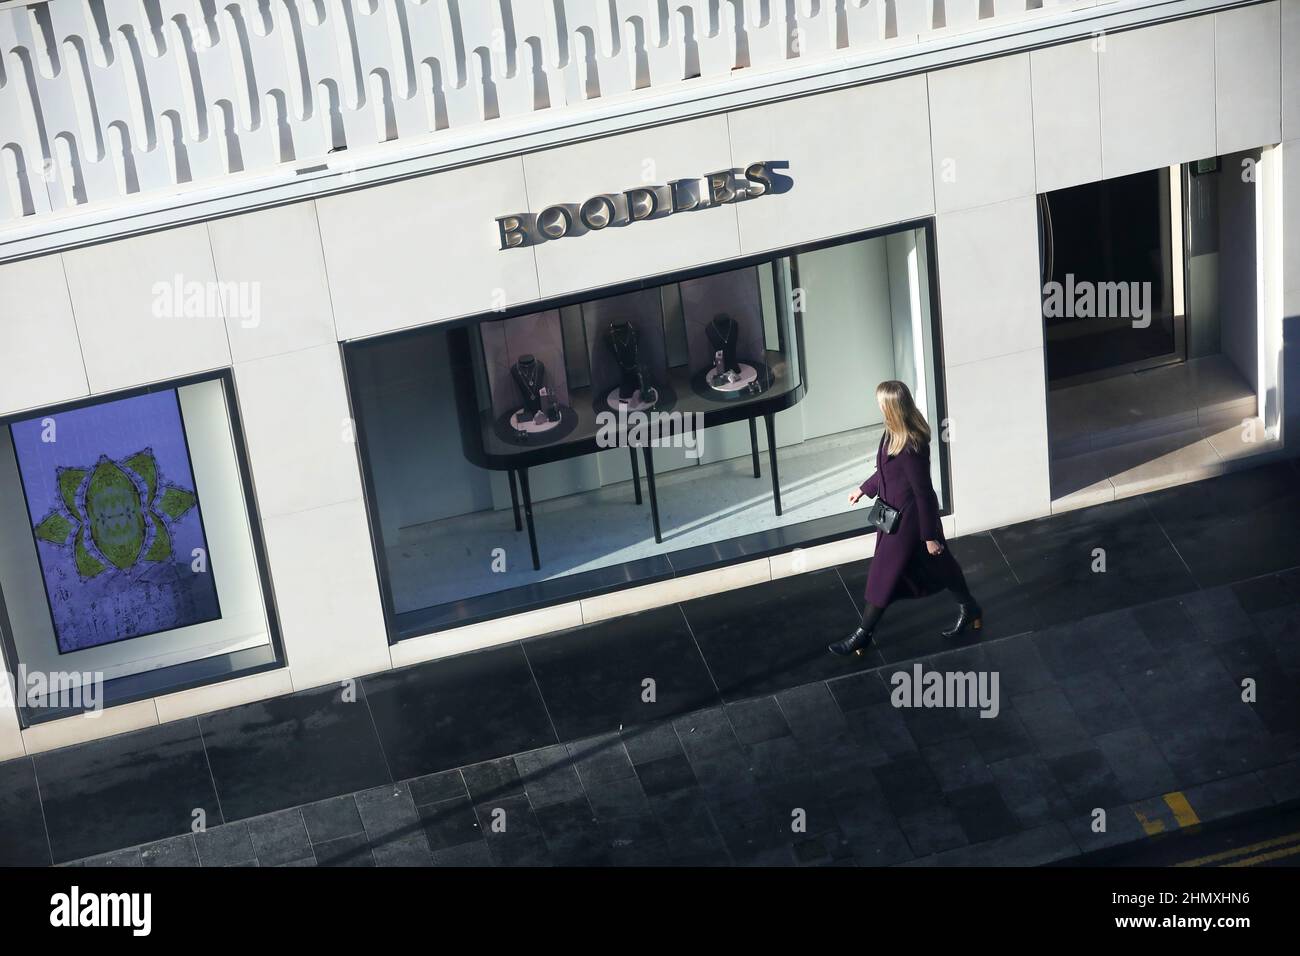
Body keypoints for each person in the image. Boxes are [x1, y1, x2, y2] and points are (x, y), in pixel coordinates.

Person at [830, 380, 982, 657]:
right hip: (894, 517)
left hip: (909, 522)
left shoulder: (911, 444)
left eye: (880, 402)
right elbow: (887, 474)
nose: (877, 406)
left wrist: (929, 537)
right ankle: (971, 608)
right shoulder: (893, 434)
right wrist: (863, 490)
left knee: (882, 575)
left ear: (891, 407)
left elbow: (923, 493)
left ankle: (862, 635)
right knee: (942, 565)